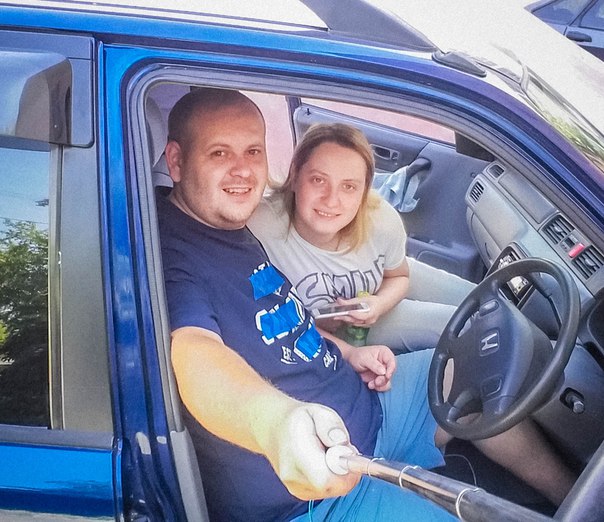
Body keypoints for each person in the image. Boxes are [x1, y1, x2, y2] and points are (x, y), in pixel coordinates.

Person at [158, 87, 575, 522]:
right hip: (318, 489)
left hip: (368, 405)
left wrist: (349, 352)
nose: (243, 170)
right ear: (176, 160)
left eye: (253, 151)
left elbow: (285, 324)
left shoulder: (231, 226)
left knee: (472, 367)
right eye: (219, 153)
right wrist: (273, 423)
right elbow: (194, 351)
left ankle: (577, 500)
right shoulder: (170, 253)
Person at [248, 123, 476, 353]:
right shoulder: (259, 224)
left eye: (349, 186)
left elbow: (399, 276)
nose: (331, 200)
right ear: (295, 176)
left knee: (482, 302)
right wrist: (317, 322)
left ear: (364, 191)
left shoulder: (381, 220)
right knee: (461, 325)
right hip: (344, 333)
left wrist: (379, 304)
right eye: (318, 180)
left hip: (379, 295)